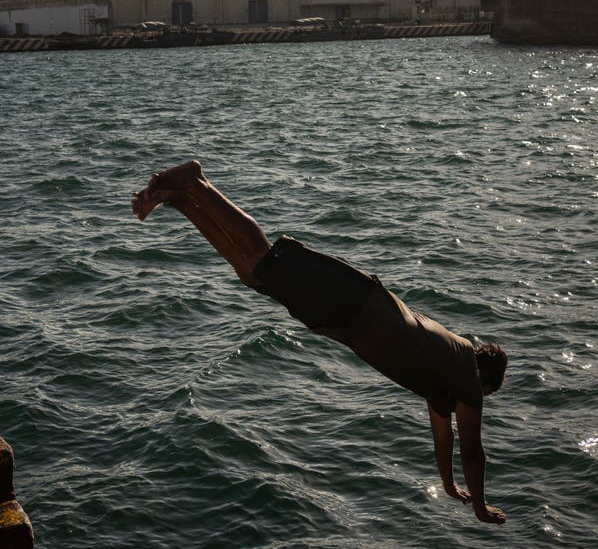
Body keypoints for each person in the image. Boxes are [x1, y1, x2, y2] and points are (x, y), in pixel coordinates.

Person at [132, 160, 509, 525]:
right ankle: (196, 181)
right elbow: (472, 452)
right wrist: (480, 506)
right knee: (263, 259)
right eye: (481, 399)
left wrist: (449, 485)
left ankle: (181, 201)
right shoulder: (464, 373)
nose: (470, 409)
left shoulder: (441, 376)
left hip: (344, 316)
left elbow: (445, 440)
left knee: (253, 275)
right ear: (485, 381)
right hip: (353, 302)